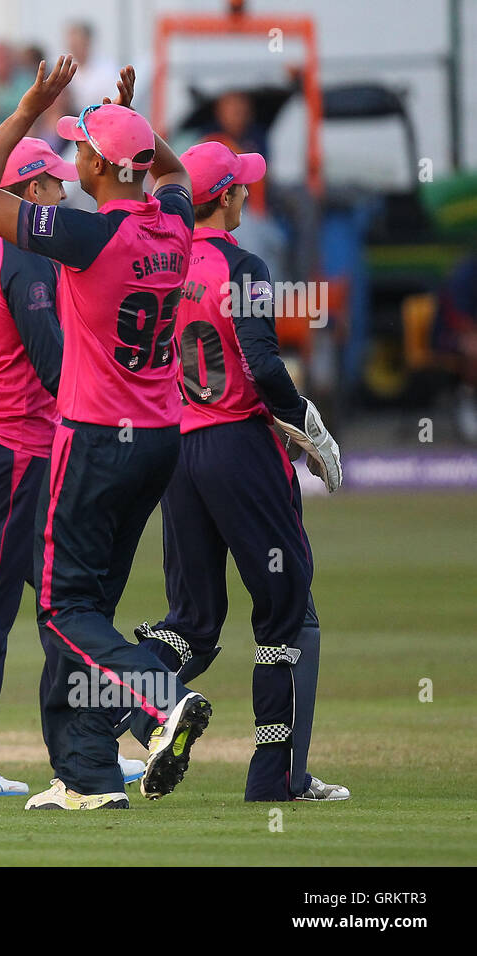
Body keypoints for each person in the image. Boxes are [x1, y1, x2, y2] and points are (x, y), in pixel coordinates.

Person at [0, 58, 210, 810]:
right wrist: (130, 127)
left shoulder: (87, 236)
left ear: (95, 164)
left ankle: (161, 704)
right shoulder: (175, 225)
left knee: (64, 608)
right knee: (87, 607)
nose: (75, 158)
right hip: (161, 438)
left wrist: (32, 104)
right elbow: (178, 174)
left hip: (95, 438)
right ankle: (87, 775)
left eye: (82, 149)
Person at [0, 138, 145, 797]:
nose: (64, 191)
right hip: (24, 444)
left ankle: (92, 748)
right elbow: (54, 362)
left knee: (50, 601)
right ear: (32, 192)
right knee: (6, 606)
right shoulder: (26, 253)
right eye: (54, 182)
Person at [135, 140, 347, 802]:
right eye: (241, 187)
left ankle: (121, 714)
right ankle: (274, 776)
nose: (248, 195)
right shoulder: (243, 266)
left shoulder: (158, 267)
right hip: (239, 448)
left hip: (176, 452)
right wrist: (304, 420)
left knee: (192, 618)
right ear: (225, 197)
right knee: (284, 607)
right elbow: (259, 361)